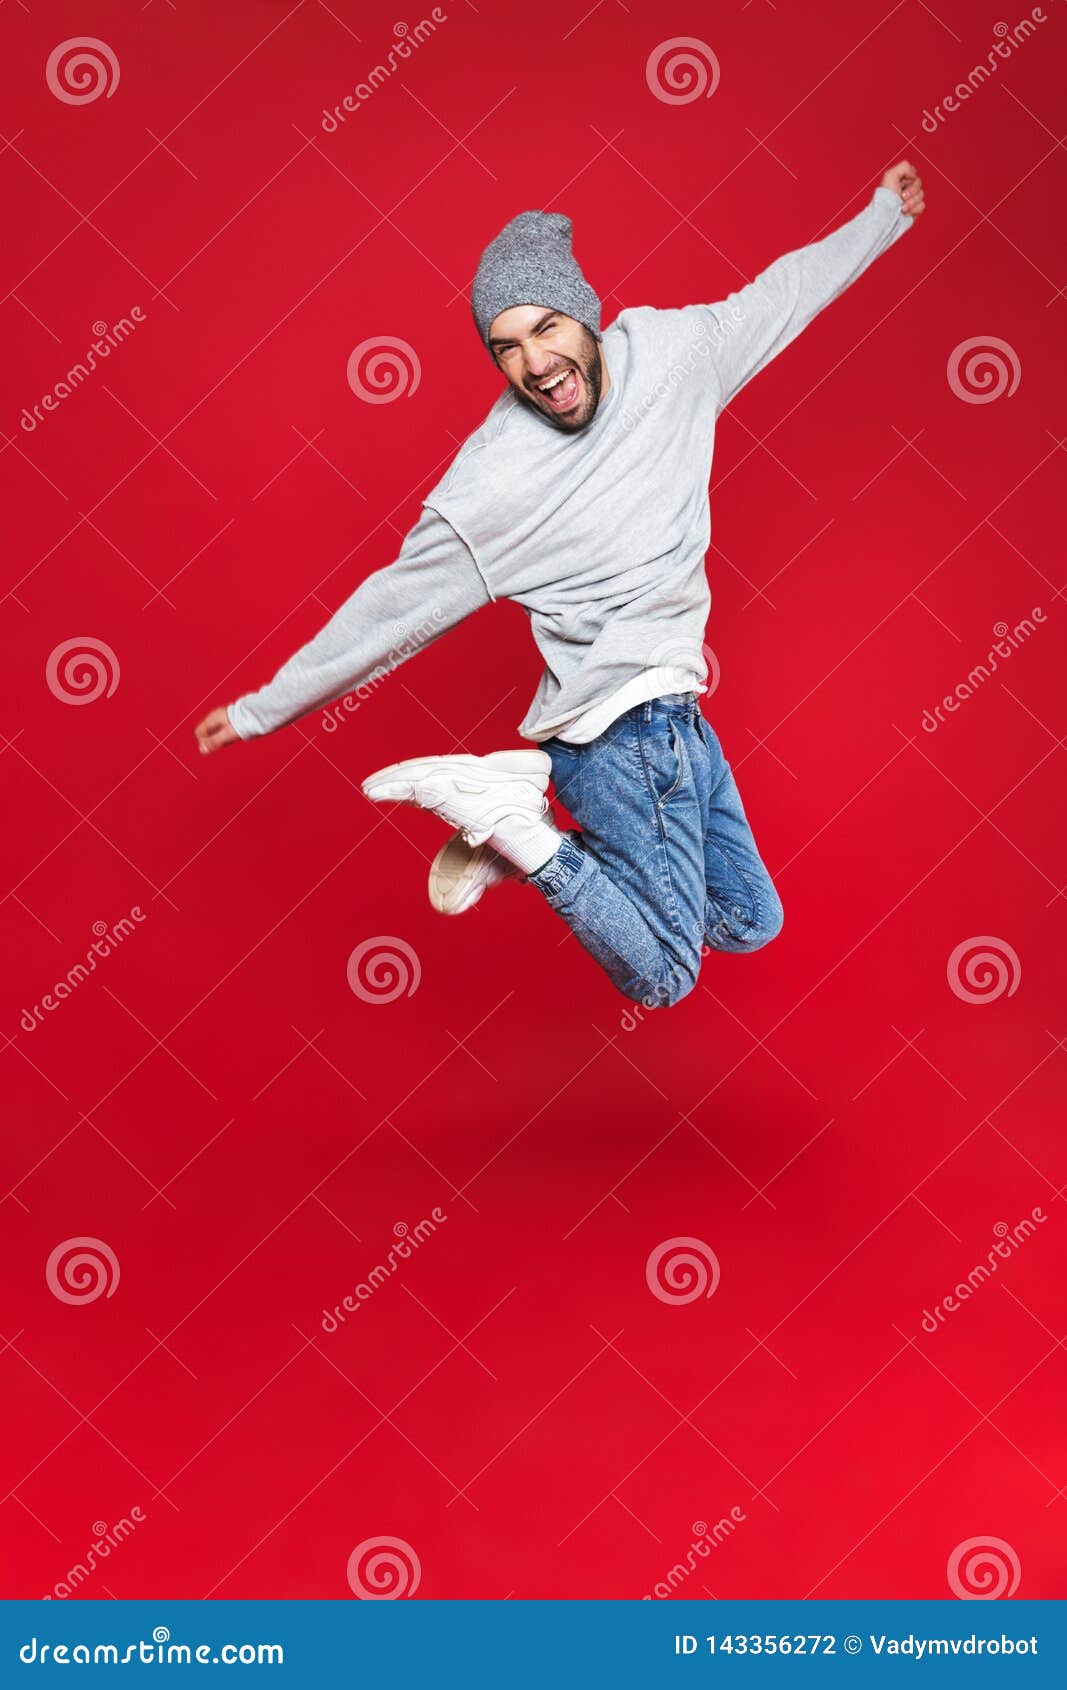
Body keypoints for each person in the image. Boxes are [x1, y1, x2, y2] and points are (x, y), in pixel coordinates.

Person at [194, 163, 925, 1007]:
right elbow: (386, 611)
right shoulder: (492, 485)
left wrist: (881, 216)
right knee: (663, 976)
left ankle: (521, 833)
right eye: (506, 346)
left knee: (745, 918)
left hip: (675, 719)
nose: (535, 362)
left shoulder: (675, 355)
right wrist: (262, 709)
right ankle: (516, 830)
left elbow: (783, 295)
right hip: (617, 738)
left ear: (584, 314)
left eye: (545, 328)